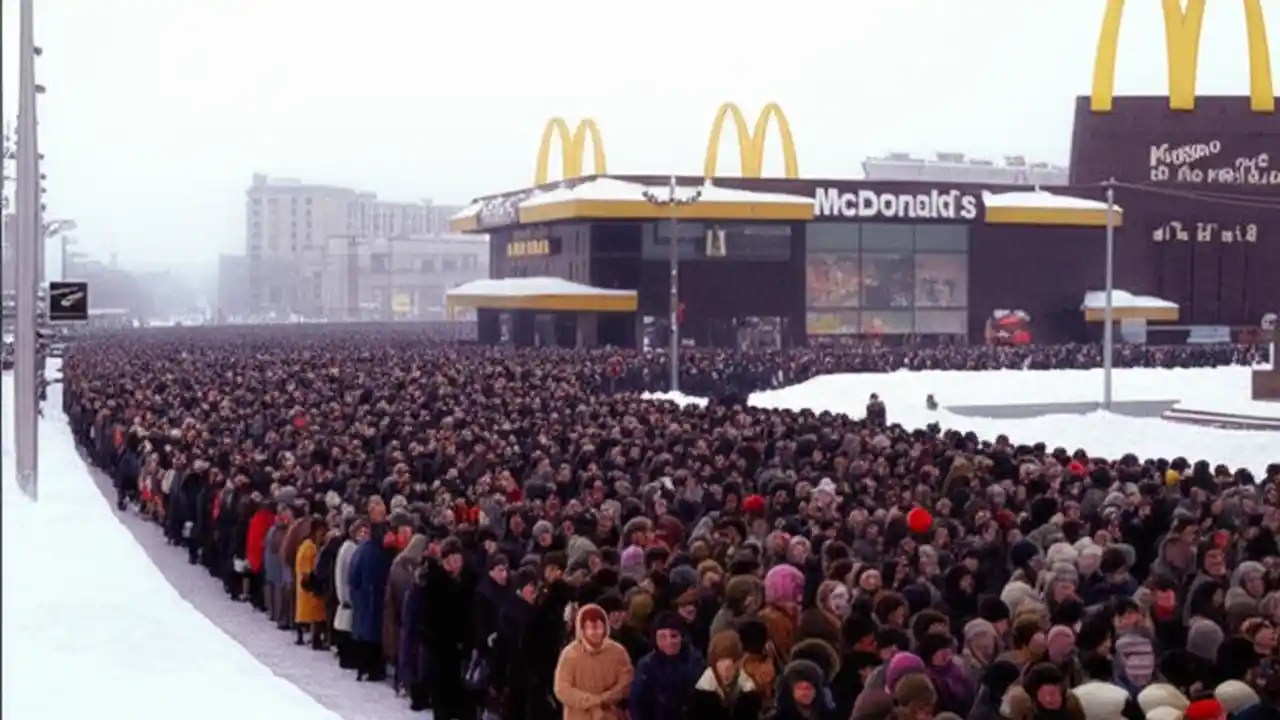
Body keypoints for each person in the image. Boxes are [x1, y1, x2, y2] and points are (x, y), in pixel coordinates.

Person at [553, 604, 634, 720]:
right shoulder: (570, 654)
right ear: (582, 629)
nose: (595, 632)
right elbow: (562, 688)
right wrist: (591, 701)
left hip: (611, 716)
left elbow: (626, 681)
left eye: (599, 627)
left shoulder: (618, 652)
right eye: (590, 628)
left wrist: (607, 698)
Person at [628, 611, 703, 720]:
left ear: (681, 637)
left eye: (674, 636)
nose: (669, 641)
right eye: (663, 637)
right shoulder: (646, 666)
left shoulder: (695, 661)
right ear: (655, 640)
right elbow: (637, 705)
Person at [688, 629, 764, 720]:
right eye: (720, 662)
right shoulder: (703, 693)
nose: (726, 670)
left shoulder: (747, 691)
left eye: (733, 662)